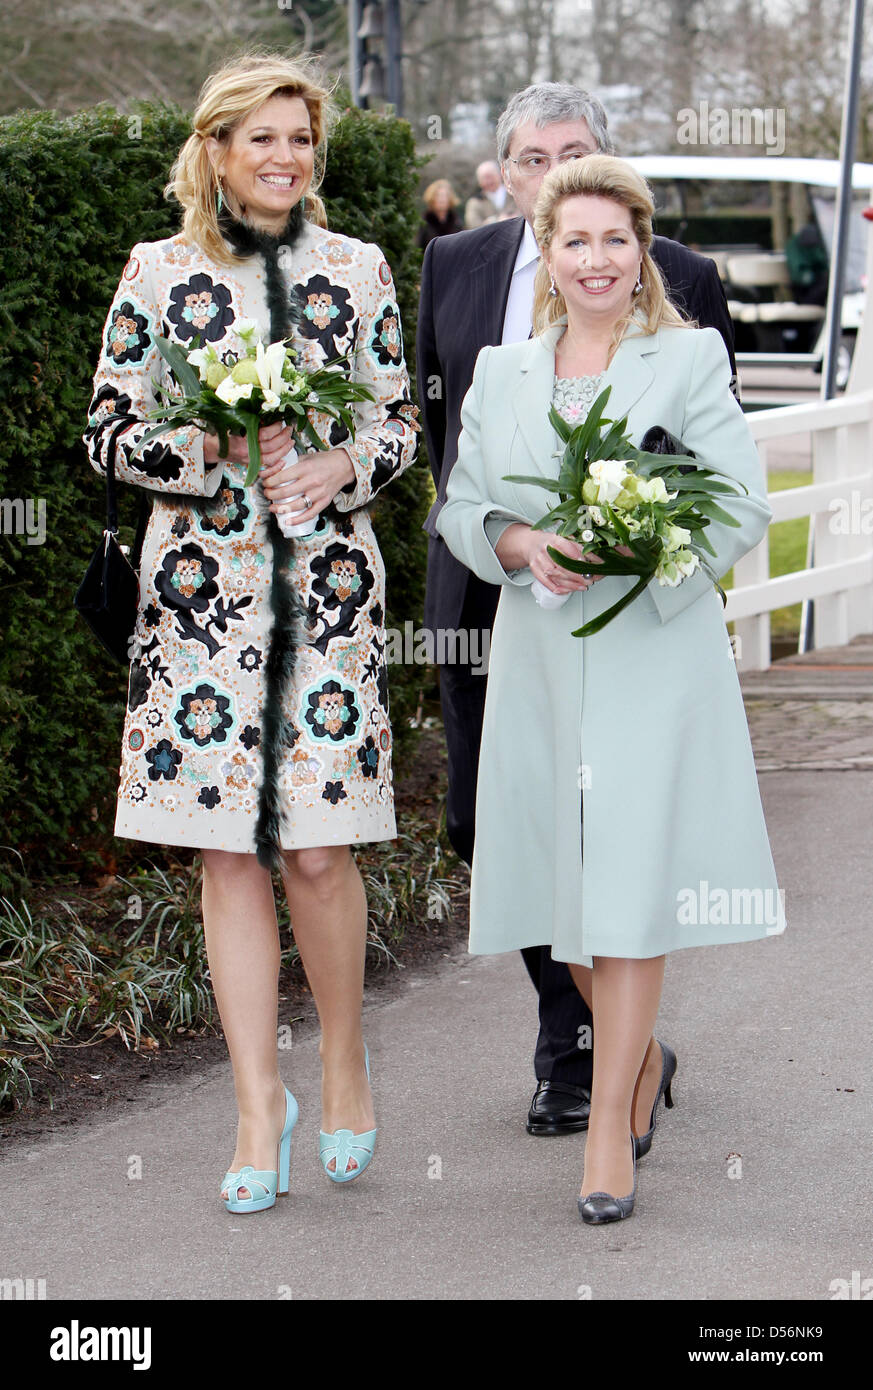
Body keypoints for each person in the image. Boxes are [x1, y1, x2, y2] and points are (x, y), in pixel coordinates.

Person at [83, 52, 419, 1210]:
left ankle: (339, 1061)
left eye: (299, 137)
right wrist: (212, 447)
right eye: (261, 137)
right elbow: (107, 434)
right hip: (197, 603)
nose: (284, 156)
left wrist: (342, 461)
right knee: (228, 851)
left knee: (319, 851)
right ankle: (251, 1102)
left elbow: (400, 418)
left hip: (325, 591)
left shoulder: (358, 268)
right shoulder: (158, 273)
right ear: (216, 152)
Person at [435, 154, 785, 1222]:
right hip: (540, 664)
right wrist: (520, 539)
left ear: (642, 256)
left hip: (649, 660)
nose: (596, 259)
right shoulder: (501, 374)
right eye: (574, 241)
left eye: (615, 240)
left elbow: (739, 505)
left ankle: (604, 1137)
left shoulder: (686, 359)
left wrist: (643, 544)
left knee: (629, 886)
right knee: (557, 886)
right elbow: (463, 509)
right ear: (547, 255)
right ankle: (635, 1061)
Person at [465, 160, 516, 229]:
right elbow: (473, 226)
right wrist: (498, 220)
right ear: (479, 181)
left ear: (500, 174)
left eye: (490, 176)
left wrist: (488, 221)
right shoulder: (474, 202)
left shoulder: (514, 193)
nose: (488, 181)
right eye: (484, 178)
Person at [416, 179, 464, 248]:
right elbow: (419, 246)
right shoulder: (424, 221)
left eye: (445, 196)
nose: (442, 199)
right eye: (438, 196)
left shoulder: (456, 221)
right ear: (432, 198)